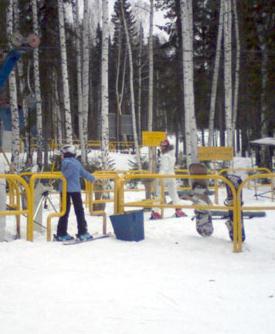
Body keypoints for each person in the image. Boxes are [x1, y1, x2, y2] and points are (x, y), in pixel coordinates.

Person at [54, 144, 96, 241]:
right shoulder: (75, 163)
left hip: (65, 190)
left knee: (64, 211)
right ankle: (82, 231)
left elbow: (66, 175)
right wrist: (92, 178)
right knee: (79, 211)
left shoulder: (66, 162)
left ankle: (61, 232)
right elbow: (83, 172)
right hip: (75, 190)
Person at [150, 139, 186, 219]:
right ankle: (178, 210)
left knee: (158, 194)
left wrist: (160, 177)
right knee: (173, 194)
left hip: (164, 177)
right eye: (161, 145)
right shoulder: (172, 155)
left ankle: (155, 211)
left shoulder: (165, 156)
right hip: (171, 176)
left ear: (166, 147)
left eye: (163, 146)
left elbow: (165, 168)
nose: (161, 147)